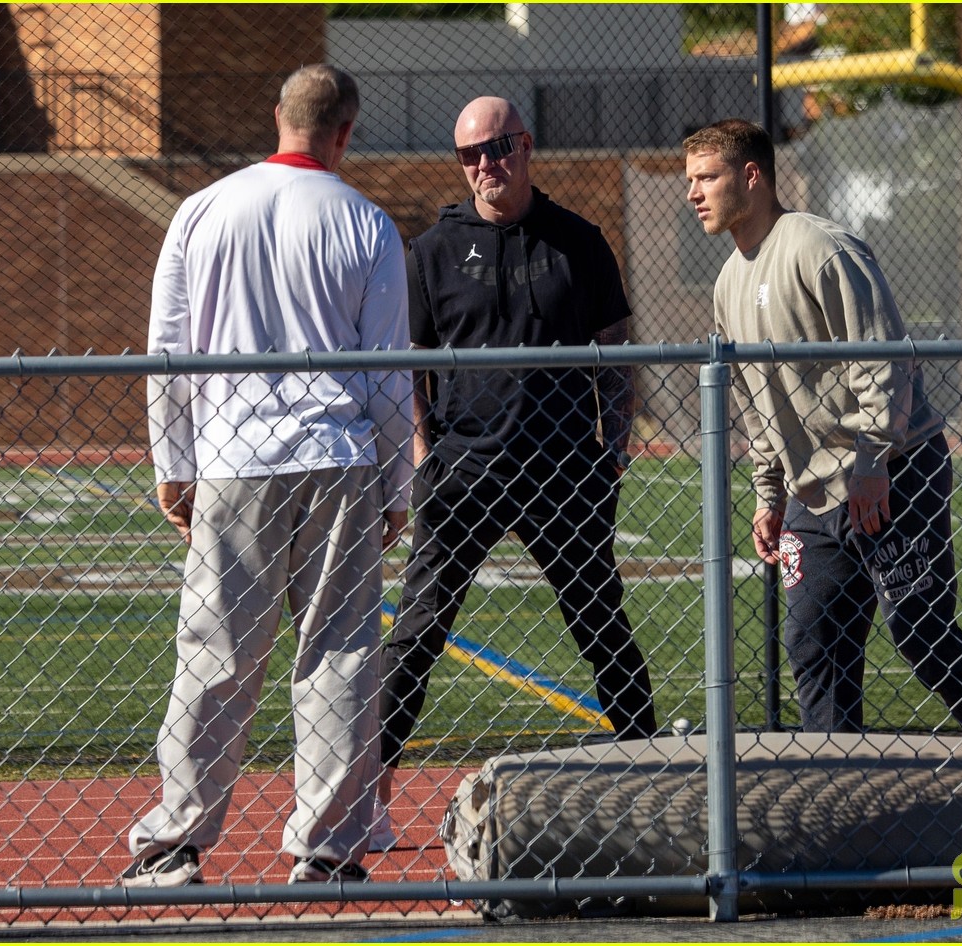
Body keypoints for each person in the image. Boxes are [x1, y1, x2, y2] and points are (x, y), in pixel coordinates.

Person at [122, 64, 413, 887]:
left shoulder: (203, 209)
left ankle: (175, 842)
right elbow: (388, 374)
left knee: (214, 655)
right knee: (341, 656)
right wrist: (396, 487)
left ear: (277, 116)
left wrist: (171, 463)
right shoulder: (366, 221)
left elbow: (167, 353)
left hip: (234, 457)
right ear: (346, 132)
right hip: (338, 458)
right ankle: (324, 850)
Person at [376, 96, 658, 830]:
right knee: (417, 630)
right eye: (470, 154)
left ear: (526, 146)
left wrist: (614, 447)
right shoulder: (432, 250)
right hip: (464, 470)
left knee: (598, 618)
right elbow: (412, 360)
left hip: (565, 470)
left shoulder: (578, 240)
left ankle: (652, 768)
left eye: (498, 148)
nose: (485, 166)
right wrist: (418, 448)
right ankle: (366, 786)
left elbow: (617, 349)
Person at [683, 119, 962, 736]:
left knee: (921, 632)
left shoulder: (818, 246)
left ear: (751, 176)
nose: (693, 193)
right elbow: (758, 404)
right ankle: (840, 787)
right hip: (813, 499)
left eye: (707, 177)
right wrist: (769, 495)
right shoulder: (728, 282)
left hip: (893, 474)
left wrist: (870, 465)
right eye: (691, 180)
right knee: (813, 644)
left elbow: (882, 358)